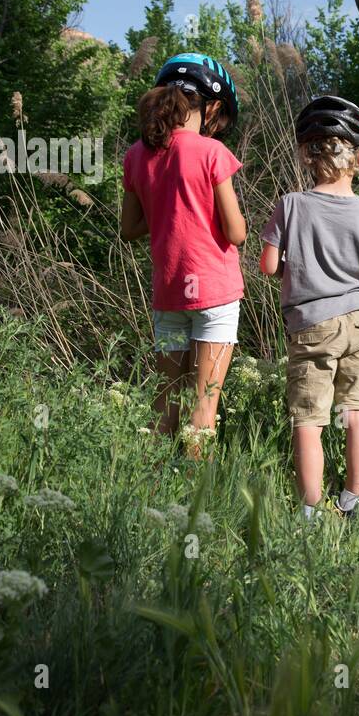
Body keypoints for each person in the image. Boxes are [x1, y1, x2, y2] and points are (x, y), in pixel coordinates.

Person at [259, 95, 359, 520]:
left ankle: (310, 510)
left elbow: (267, 266)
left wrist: (298, 271)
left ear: (307, 154)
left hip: (312, 324)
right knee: (357, 412)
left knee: (310, 420)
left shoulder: (291, 205)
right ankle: (351, 500)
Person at [120, 53, 247, 458]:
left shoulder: (136, 155)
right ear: (209, 107)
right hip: (215, 294)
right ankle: (193, 499)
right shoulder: (212, 153)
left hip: (170, 293)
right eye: (221, 117)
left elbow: (129, 228)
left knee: (165, 398)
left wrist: (167, 212)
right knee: (204, 404)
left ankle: (156, 487)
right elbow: (237, 232)